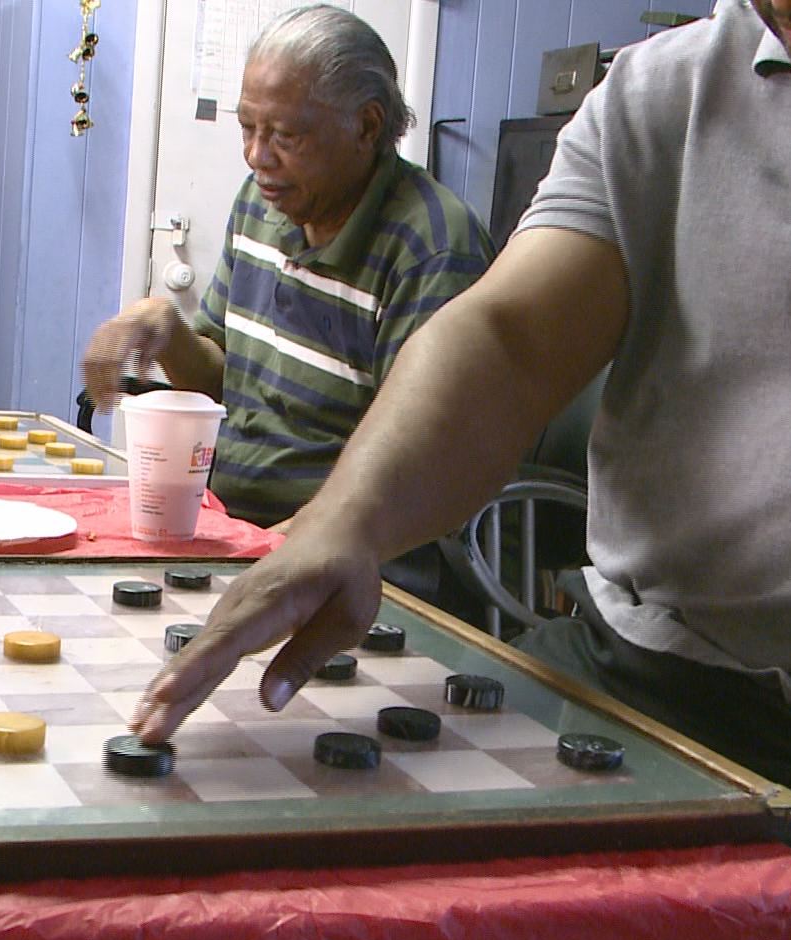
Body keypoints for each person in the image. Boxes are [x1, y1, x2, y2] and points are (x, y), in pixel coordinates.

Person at [133, 0, 791, 940]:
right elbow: (509, 339)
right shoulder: (668, 90)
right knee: (346, 922)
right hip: (634, 667)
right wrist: (342, 528)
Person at [80, 4, 492, 611]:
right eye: (247, 128)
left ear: (367, 127)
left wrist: (277, 552)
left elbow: (420, 471)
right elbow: (224, 375)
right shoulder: (263, 202)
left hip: (355, 573)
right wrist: (167, 331)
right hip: (234, 532)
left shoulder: (431, 249)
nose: (256, 156)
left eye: (285, 136)